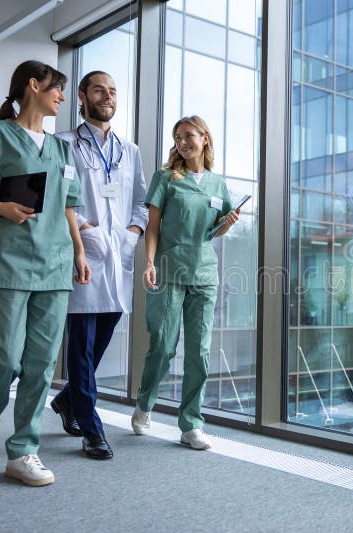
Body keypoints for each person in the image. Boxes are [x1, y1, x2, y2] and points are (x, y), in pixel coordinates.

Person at [0, 60, 90, 486]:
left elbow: (68, 206)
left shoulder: (62, 149)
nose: (62, 97)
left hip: (55, 265)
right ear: (34, 85)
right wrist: (1, 207)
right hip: (7, 263)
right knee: (6, 358)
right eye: (57, 89)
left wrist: (80, 253)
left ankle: (24, 451)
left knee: (41, 363)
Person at [51, 71, 148, 460]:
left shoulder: (130, 150)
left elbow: (140, 199)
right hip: (85, 253)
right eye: (98, 90)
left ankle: (66, 400)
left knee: (102, 339)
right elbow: (60, 196)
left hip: (119, 256)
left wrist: (132, 234)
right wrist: (85, 231)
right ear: (82, 96)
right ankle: (93, 429)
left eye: (112, 91)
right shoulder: (64, 144)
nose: (107, 97)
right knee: (81, 346)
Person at [131, 115, 240, 450]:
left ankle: (191, 423)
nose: (182, 142)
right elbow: (152, 227)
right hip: (167, 269)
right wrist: (148, 262)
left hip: (204, 272)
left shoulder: (218, 184)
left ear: (204, 138)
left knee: (199, 351)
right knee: (163, 344)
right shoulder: (165, 178)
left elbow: (212, 230)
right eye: (178, 137)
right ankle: (145, 403)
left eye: (189, 135)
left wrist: (229, 223)